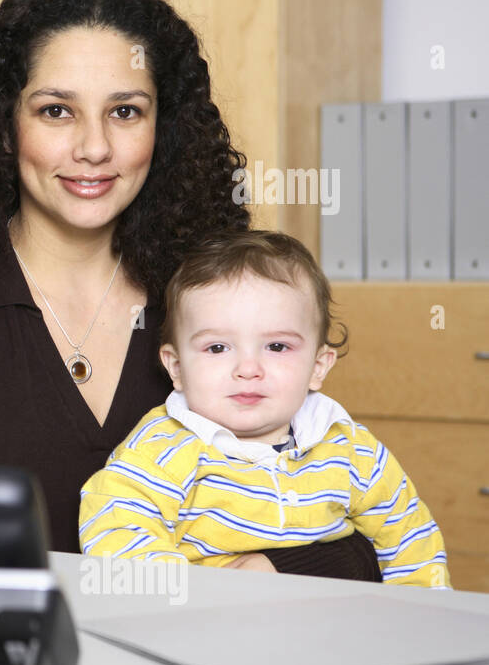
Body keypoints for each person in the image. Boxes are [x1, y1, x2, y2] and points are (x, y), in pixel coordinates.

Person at [0, 0, 381, 581]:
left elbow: (362, 536)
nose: (93, 147)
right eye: (56, 111)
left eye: (124, 111)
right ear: (4, 125)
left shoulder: (214, 306)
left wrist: (259, 568)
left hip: (200, 663)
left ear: (162, 128)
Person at [78, 231, 451, 587]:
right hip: (207, 629)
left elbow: (410, 540)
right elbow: (114, 526)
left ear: (318, 366)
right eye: (217, 348)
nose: (248, 369)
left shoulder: (352, 449)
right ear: (176, 368)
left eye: (276, 347)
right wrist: (194, 595)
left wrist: (421, 618)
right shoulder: (164, 446)